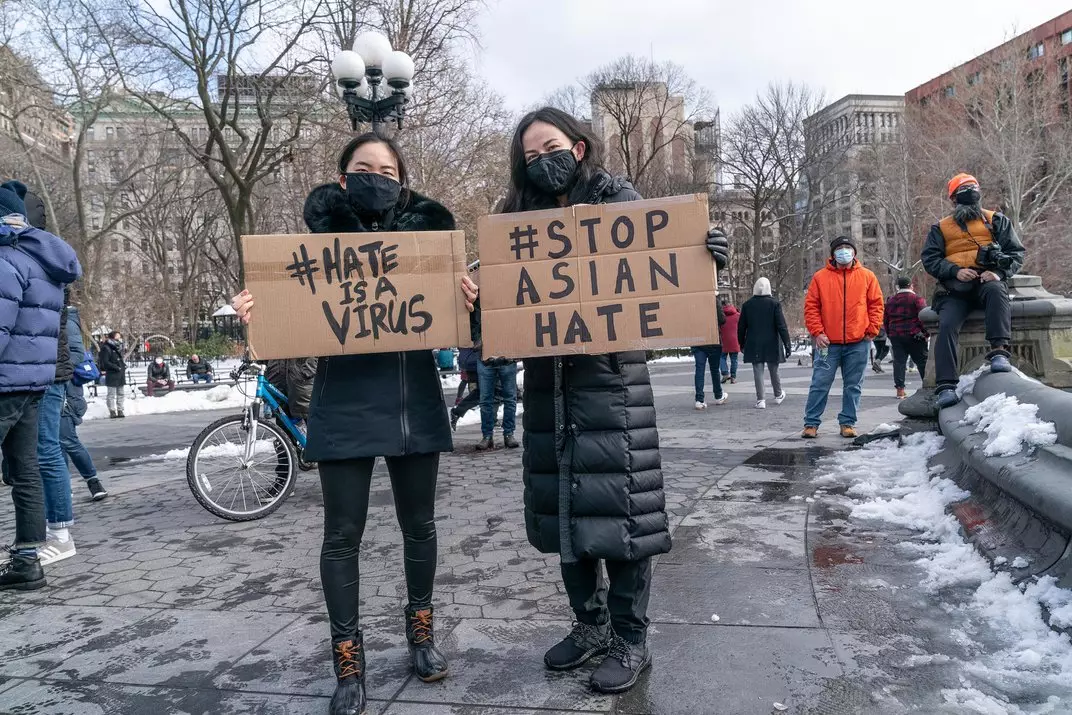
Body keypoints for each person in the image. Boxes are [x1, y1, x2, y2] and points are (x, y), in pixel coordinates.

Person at [460, 107, 730, 694]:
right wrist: (478, 301)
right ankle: (590, 625)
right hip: (546, 392)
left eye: (550, 147)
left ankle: (632, 640)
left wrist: (702, 250)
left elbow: (667, 270)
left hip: (611, 387)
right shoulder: (515, 222)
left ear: (579, 147)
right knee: (565, 515)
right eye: (529, 157)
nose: (541, 162)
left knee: (622, 515)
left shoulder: (620, 202)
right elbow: (503, 322)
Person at [233, 132, 454, 715]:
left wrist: (469, 300)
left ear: (402, 179)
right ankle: (348, 662)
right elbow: (283, 327)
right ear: (342, 179)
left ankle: (421, 634)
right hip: (345, 401)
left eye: (386, 169)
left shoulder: (432, 244)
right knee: (341, 535)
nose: (375, 176)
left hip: (412, 399)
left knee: (420, 527)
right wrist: (256, 313)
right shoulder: (314, 250)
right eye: (363, 168)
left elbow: (463, 322)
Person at [0, 179, 81, 591]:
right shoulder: (42, 261)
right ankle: (27, 559)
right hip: (33, 382)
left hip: (4, 382)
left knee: (30, 468)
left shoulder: (5, 260)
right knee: (26, 470)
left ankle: (28, 559)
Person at [922, 174, 1024, 409]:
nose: (970, 192)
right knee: (946, 325)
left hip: (986, 283)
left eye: (973, 188)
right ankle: (946, 385)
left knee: (997, 290)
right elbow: (930, 259)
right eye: (964, 189)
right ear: (953, 199)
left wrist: (998, 272)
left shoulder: (996, 220)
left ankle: (999, 351)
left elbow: (1016, 254)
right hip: (954, 289)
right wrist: (955, 271)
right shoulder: (940, 227)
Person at [802, 236, 884, 439]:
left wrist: (872, 329)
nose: (845, 251)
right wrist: (817, 332)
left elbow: (876, 305)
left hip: (858, 342)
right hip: (827, 343)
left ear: (854, 252)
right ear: (833, 254)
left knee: (854, 385)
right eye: (840, 248)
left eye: (848, 248)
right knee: (819, 383)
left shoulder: (867, 276)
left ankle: (847, 422)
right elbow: (811, 307)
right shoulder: (820, 278)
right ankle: (811, 423)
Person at [61, 304, 105, 500]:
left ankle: (93, 481)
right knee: (55, 444)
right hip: (52, 388)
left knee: (67, 440)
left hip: (64, 391)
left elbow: (77, 355)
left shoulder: (67, 320)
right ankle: (62, 487)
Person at [738, 278, 792, 409]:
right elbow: (781, 326)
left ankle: (760, 399)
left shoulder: (747, 305)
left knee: (758, 371)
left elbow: (741, 327)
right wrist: (787, 344)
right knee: (774, 369)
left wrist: (741, 343)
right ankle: (778, 394)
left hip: (754, 343)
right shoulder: (774, 304)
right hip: (772, 342)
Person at [884, 276, 929, 399]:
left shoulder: (890, 300)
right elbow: (924, 317)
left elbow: (886, 320)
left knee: (899, 362)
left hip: (896, 335)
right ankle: (927, 386)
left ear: (898, 286)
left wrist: (890, 333)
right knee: (922, 361)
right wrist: (925, 333)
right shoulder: (917, 299)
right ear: (911, 286)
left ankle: (900, 390)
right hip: (915, 335)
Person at [476, 354, 518, 450]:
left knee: (510, 398)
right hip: (485, 359)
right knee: (485, 400)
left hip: (507, 358)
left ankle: (508, 433)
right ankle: (487, 436)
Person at [692, 300, 728, 410]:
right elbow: (722, 320)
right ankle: (718, 395)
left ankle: (699, 399)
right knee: (714, 369)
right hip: (712, 339)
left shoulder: (692, 298)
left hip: (698, 340)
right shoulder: (713, 298)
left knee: (699, 370)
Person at [97, 331, 126, 418]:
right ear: (112, 337)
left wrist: (122, 366)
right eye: (117, 336)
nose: (119, 338)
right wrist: (116, 367)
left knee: (121, 393)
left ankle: (120, 410)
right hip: (112, 373)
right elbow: (105, 362)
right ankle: (112, 410)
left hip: (120, 373)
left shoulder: (117, 347)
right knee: (111, 394)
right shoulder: (107, 347)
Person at [719, 300, 741, 384]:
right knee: (734, 359)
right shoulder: (738, 315)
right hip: (735, 340)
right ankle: (733, 377)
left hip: (723, 340)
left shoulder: (720, 316)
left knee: (721, 357)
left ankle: (725, 373)